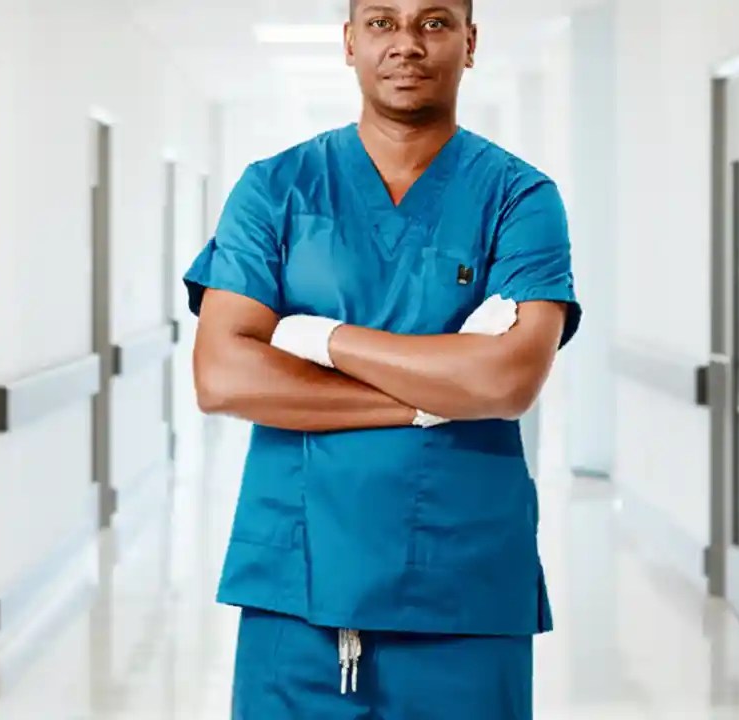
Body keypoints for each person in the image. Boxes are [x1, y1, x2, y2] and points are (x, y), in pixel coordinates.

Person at [183, 0, 581, 716]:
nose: (407, 43)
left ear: (469, 42)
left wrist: (318, 339)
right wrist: (433, 396)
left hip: (464, 589)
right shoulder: (275, 189)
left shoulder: (520, 198)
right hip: (296, 586)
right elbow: (221, 376)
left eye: (434, 22)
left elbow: (508, 380)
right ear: (349, 42)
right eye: (381, 22)